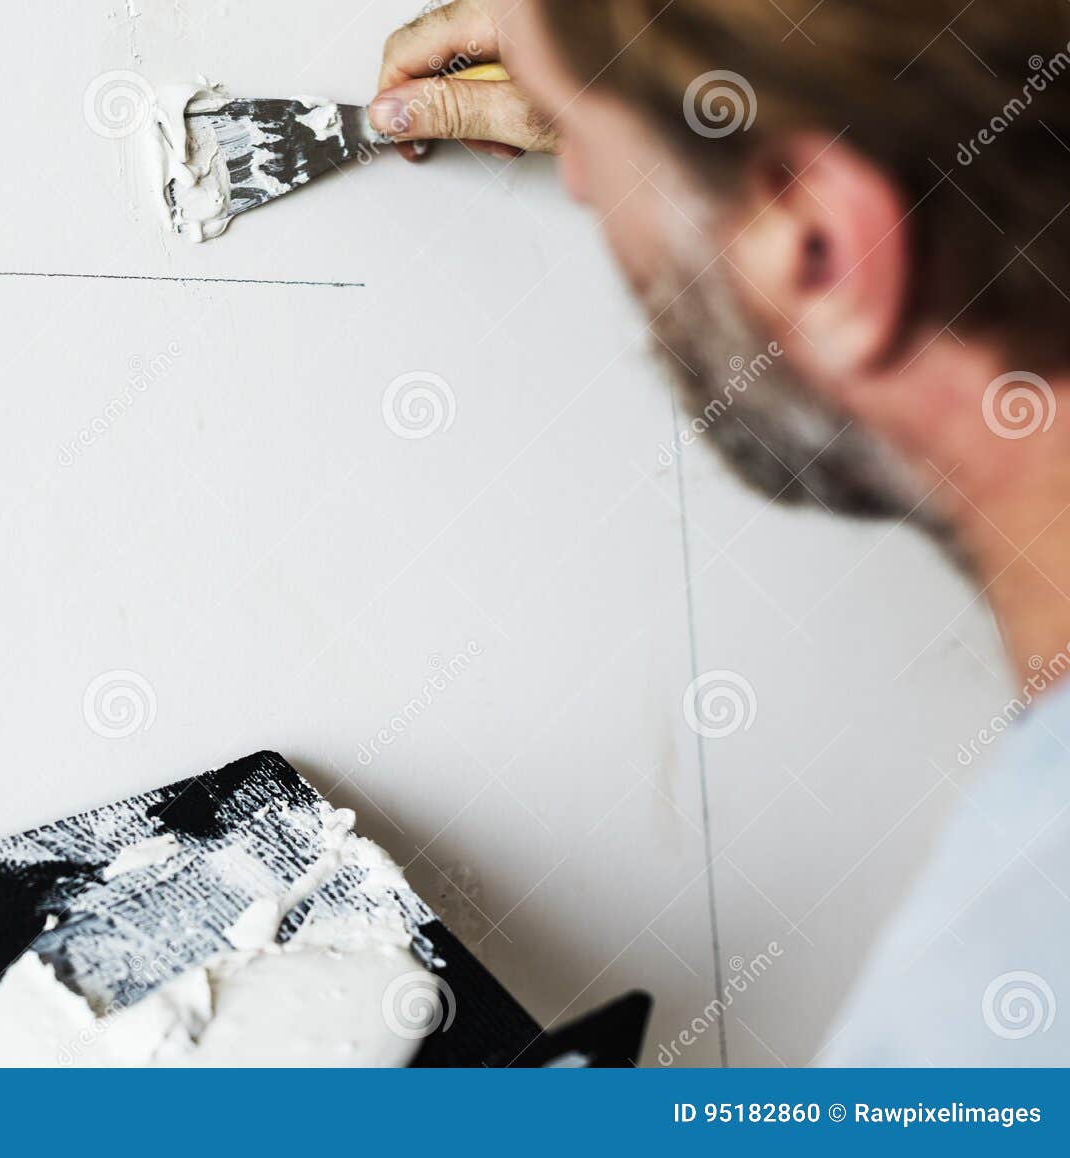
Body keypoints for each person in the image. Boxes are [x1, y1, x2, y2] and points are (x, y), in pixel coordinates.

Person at [371, 0, 1070, 1064]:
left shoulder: (979, 1031)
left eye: (582, 146)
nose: (571, 179)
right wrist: (675, 137)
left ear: (821, 248)